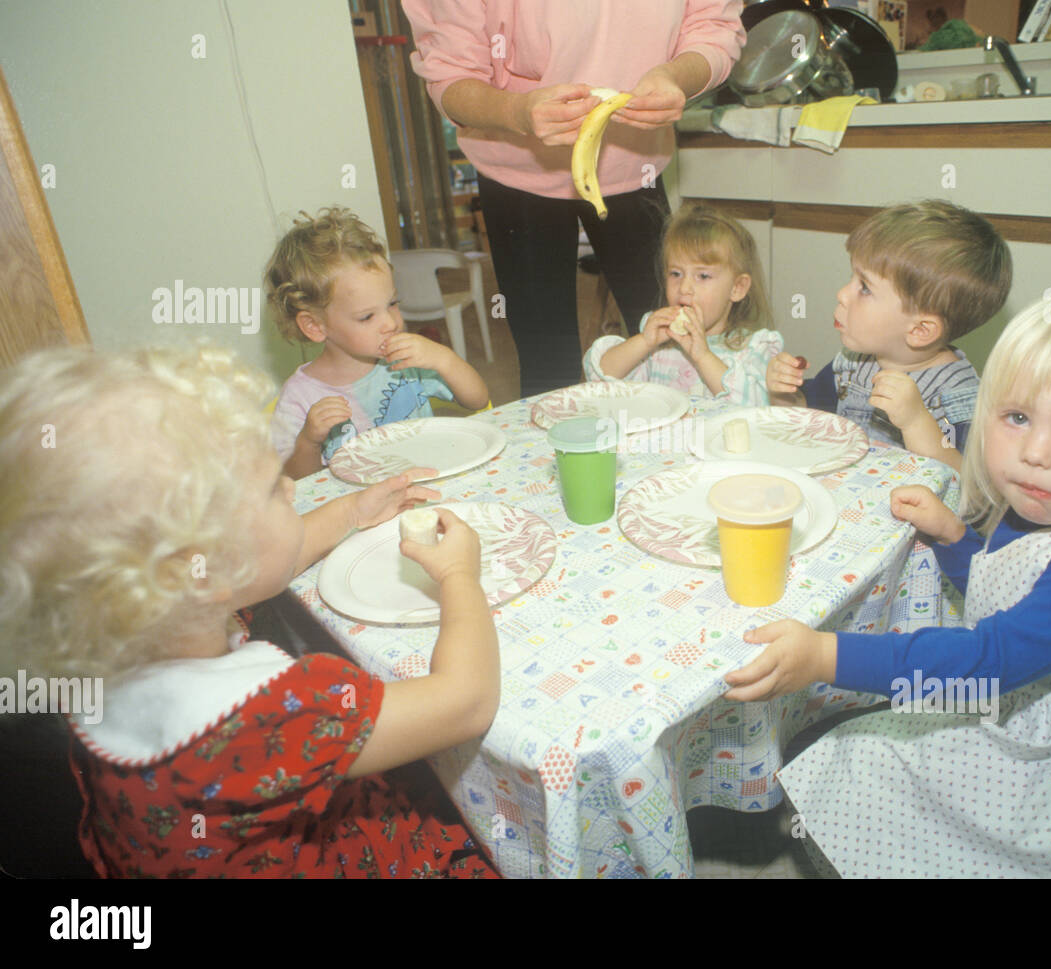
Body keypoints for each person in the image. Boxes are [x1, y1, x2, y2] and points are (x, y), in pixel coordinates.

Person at [727, 289, 1051, 877]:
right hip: (1017, 706)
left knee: (870, 773)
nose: (1035, 453)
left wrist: (826, 654)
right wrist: (956, 541)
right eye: (1017, 418)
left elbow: (989, 657)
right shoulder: (1048, 504)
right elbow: (1017, 598)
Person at [0, 344, 501, 878]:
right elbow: (466, 702)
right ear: (205, 572)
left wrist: (353, 509)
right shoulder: (271, 715)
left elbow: (260, 563)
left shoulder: (127, 644)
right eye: (270, 491)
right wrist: (458, 576)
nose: (290, 485)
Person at [402, 0, 745, 398]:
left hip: (636, 164)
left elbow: (713, 27)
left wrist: (677, 75)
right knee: (548, 363)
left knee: (674, 342)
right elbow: (450, 72)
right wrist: (516, 110)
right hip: (516, 171)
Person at [766, 200, 1012, 473]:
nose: (842, 294)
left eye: (865, 288)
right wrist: (784, 394)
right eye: (852, 277)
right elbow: (810, 419)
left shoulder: (958, 398)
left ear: (920, 331)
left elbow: (969, 484)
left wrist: (917, 421)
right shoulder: (854, 362)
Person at [265, 207, 490, 479]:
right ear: (315, 326)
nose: (391, 323)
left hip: (430, 483)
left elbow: (478, 400)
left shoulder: (405, 360)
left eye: (393, 304)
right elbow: (299, 483)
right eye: (367, 316)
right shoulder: (299, 397)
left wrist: (444, 359)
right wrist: (309, 441)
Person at [582, 202, 779, 404]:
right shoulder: (659, 346)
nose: (684, 287)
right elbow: (598, 378)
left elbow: (756, 407)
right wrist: (644, 341)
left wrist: (703, 356)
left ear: (737, 288)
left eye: (702, 276)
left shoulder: (753, 349)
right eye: (676, 273)